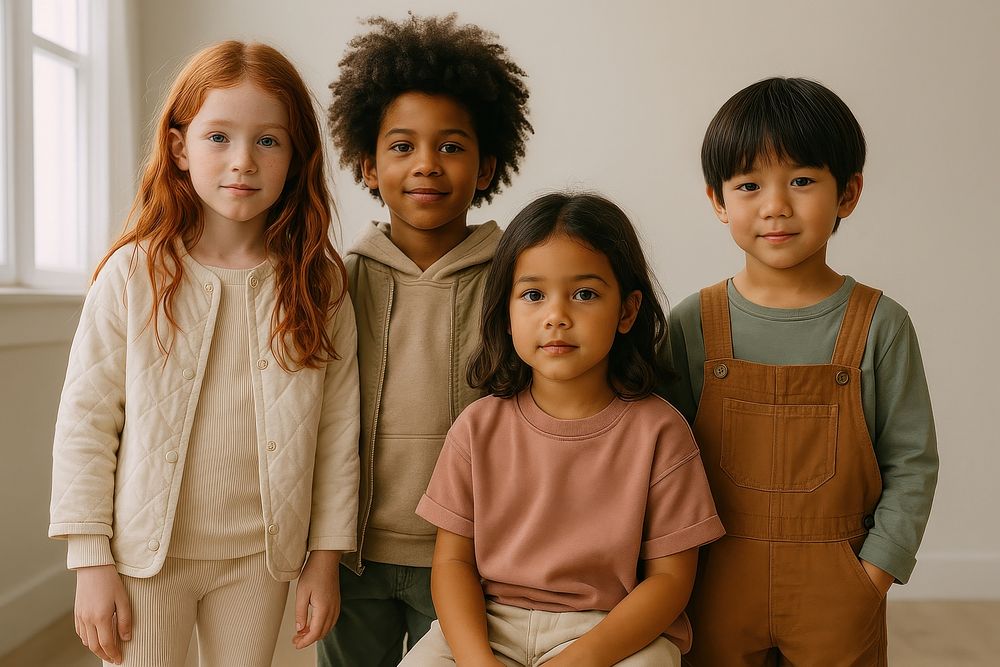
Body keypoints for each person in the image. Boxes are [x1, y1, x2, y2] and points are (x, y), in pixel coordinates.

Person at [48, 41, 360, 667]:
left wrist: (324, 561)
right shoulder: (133, 274)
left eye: (268, 141)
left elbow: (336, 433)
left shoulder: (318, 285)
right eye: (219, 137)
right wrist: (91, 561)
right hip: (146, 555)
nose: (243, 161)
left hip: (258, 557)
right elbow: (85, 423)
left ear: (297, 156)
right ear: (179, 147)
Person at [664, 77, 939, 666]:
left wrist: (874, 573)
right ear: (717, 200)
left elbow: (911, 461)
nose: (776, 206)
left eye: (802, 180)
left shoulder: (881, 325)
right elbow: (658, 458)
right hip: (713, 580)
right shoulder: (694, 323)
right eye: (749, 185)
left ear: (849, 192)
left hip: (837, 586)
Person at [400, 193, 724, 666]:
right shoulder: (477, 427)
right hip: (489, 623)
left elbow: (670, 581)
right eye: (533, 295)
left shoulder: (661, 432)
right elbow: (451, 563)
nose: (557, 315)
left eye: (585, 294)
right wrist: (476, 660)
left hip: (606, 628)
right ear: (506, 315)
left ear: (628, 311)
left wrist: (582, 660)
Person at [320, 14, 532, 666]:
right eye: (403, 146)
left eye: (451, 146)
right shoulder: (336, 282)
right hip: (354, 553)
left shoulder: (517, 281)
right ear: (368, 162)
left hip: (471, 552)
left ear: (487, 163)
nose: (426, 165)